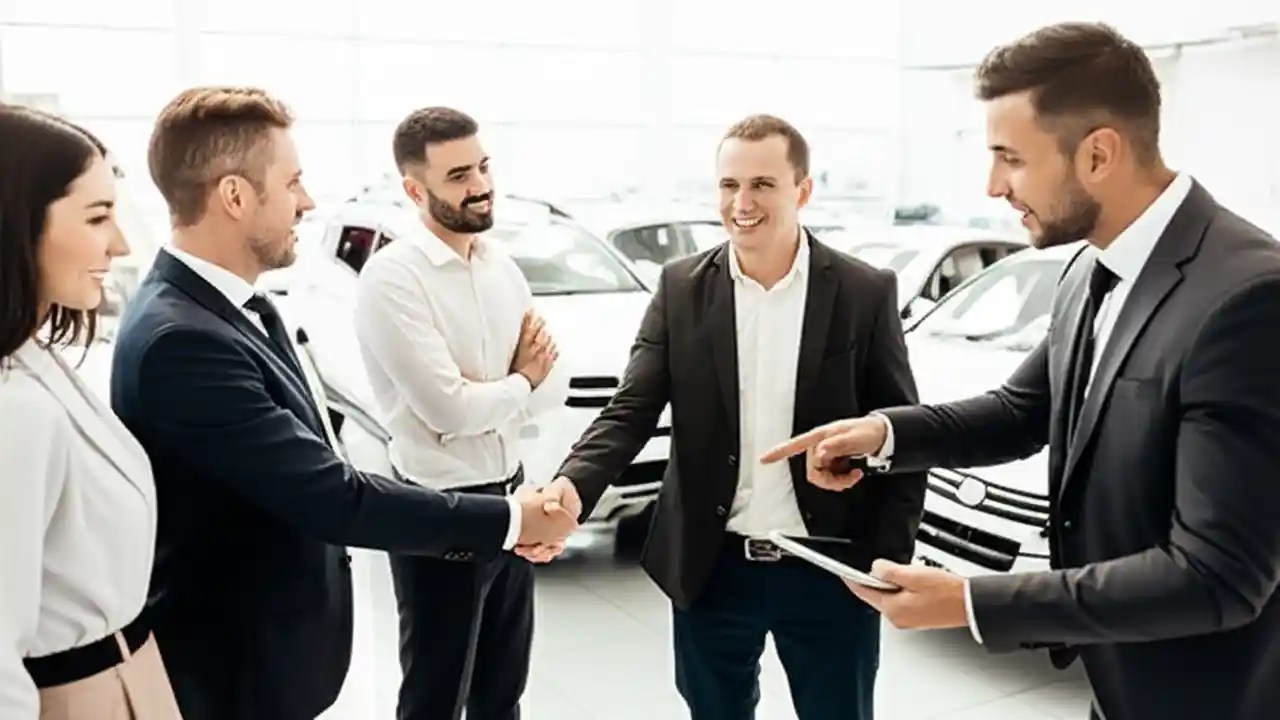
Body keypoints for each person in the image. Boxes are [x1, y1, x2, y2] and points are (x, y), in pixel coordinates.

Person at [762, 22, 1280, 720]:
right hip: (1119, 684)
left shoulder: (1248, 298)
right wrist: (883, 435)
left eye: (1010, 158)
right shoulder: (1088, 269)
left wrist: (972, 603)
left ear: (1098, 154)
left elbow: (1218, 576)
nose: (993, 186)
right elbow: (1021, 412)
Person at [108, 87, 578, 720]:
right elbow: (333, 495)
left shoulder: (235, 308)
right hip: (234, 673)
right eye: (292, 182)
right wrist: (514, 519)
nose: (308, 202)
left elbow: (549, 381)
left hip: (266, 661)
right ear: (235, 197)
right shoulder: (182, 340)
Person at [545, 114, 926, 719]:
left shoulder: (864, 291)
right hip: (711, 567)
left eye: (762, 185)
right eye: (729, 185)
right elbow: (632, 408)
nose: (741, 203)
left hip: (829, 566)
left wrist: (887, 558)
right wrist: (573, 482)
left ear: (802, 190)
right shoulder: (680, 288)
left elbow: (903, 431)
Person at [352, 107, 569, 720]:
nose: (480, 185)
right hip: (438, 513)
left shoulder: (501, 266)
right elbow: (448, 408)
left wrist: (499, 391)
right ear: (414, 190)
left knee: (504, 695)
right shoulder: (393, 278)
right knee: (435, 699)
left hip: (511, 501)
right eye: (458, 175)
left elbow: (554, 386)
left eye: (482, 167)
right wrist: (519, 379)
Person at [0, 107, 183, 719]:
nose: (121, 243)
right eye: (98, 216)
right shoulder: (16, 408)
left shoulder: (36, 362)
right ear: (16, 221)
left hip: (130, 675)